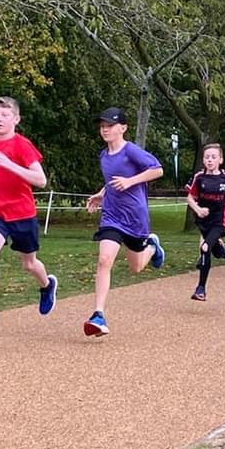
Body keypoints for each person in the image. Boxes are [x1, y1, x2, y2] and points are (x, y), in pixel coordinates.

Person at [0, 96, 56, 334]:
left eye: (4, 115)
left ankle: (47, 286)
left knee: (29, 263)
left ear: (16, 119)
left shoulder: (22, 145)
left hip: (23, 213)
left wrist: (9, 165)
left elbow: (41, 180)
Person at [83, 108, 165, 336]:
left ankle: (152, 246)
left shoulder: (131, 151)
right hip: (111, 217)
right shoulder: (103, 155)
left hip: (135, 218)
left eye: (110, 125)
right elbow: (110, 181)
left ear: (123, 128)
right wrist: (101, 194)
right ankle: (98, 314)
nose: (105, 129)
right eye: (102, 126)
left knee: (137, 267)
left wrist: (131, 181)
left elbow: (157, 170)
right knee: (104, 259)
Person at [186, 142, 225, 302]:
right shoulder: (199, 177)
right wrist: (198, 209)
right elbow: (189, 197)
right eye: (207, 157)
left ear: (220, 160)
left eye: (213, 157)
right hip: (203, 220)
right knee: (214, 251)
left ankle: (201, 289)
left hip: (219, 219)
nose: (210, 160)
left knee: (204, 248)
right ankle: (222, 251)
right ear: (203, 160)